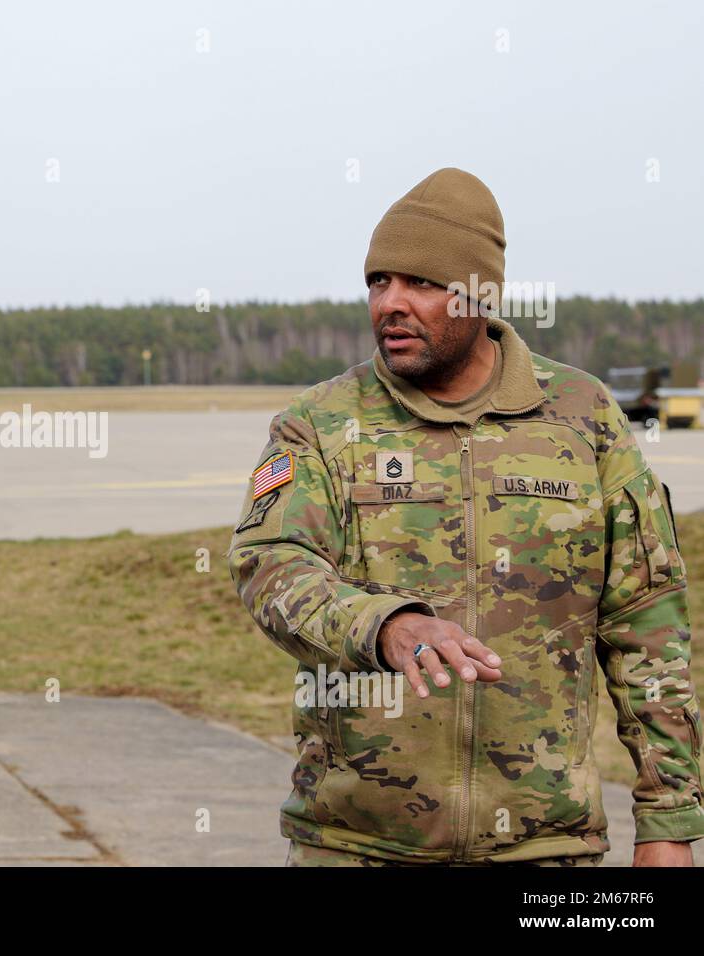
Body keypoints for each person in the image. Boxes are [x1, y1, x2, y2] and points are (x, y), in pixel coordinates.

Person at [228, 168, 702, 866]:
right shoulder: (321, 424)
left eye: (419, 282)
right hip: (358, 845)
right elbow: (270, 567)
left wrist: (670, 823)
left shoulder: (584, 417)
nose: (390, 303)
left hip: (544, 850)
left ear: (480, 294)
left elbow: (646, 621)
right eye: (377, 281)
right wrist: (382, 625)